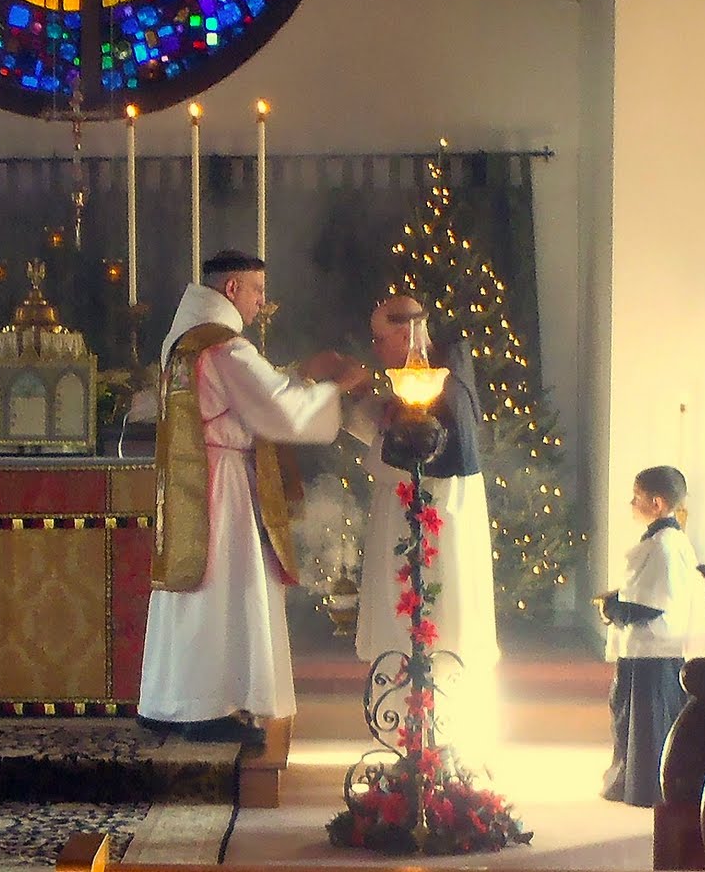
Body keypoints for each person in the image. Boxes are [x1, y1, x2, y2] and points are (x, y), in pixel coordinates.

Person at [140, 249, 367, 744]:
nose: (263, 303)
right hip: (223, 487)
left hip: (191, 481)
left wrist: (299, 371)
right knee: (226, 589)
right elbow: (279, 409)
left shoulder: (182, 338)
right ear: (231, 289)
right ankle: (211, 706)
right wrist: (337, 388)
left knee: (190, 593)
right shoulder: (224, 347)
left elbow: (250, 393)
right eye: (257, 291)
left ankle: (169, 697)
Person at [348, 294, 500, 763]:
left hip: (434, 536)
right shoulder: (432, 377)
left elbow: (409, 459)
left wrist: (358, 400)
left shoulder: (439, 384)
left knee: (432, 630)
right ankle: (415, 740)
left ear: (407, 332)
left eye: (380, 338)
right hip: (419, 518)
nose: (376, 350)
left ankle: (434, 744)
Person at [598, 465, 705, 808]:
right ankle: (630, 782)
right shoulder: (659, 540)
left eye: (637, 497)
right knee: (629, 716)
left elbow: (655, 603)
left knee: (649, 721)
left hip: (655, 649)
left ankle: (648, 789)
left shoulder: (665, 545)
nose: (631, 503)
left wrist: (614, 609)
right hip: (646, 649)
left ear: (658, 503)